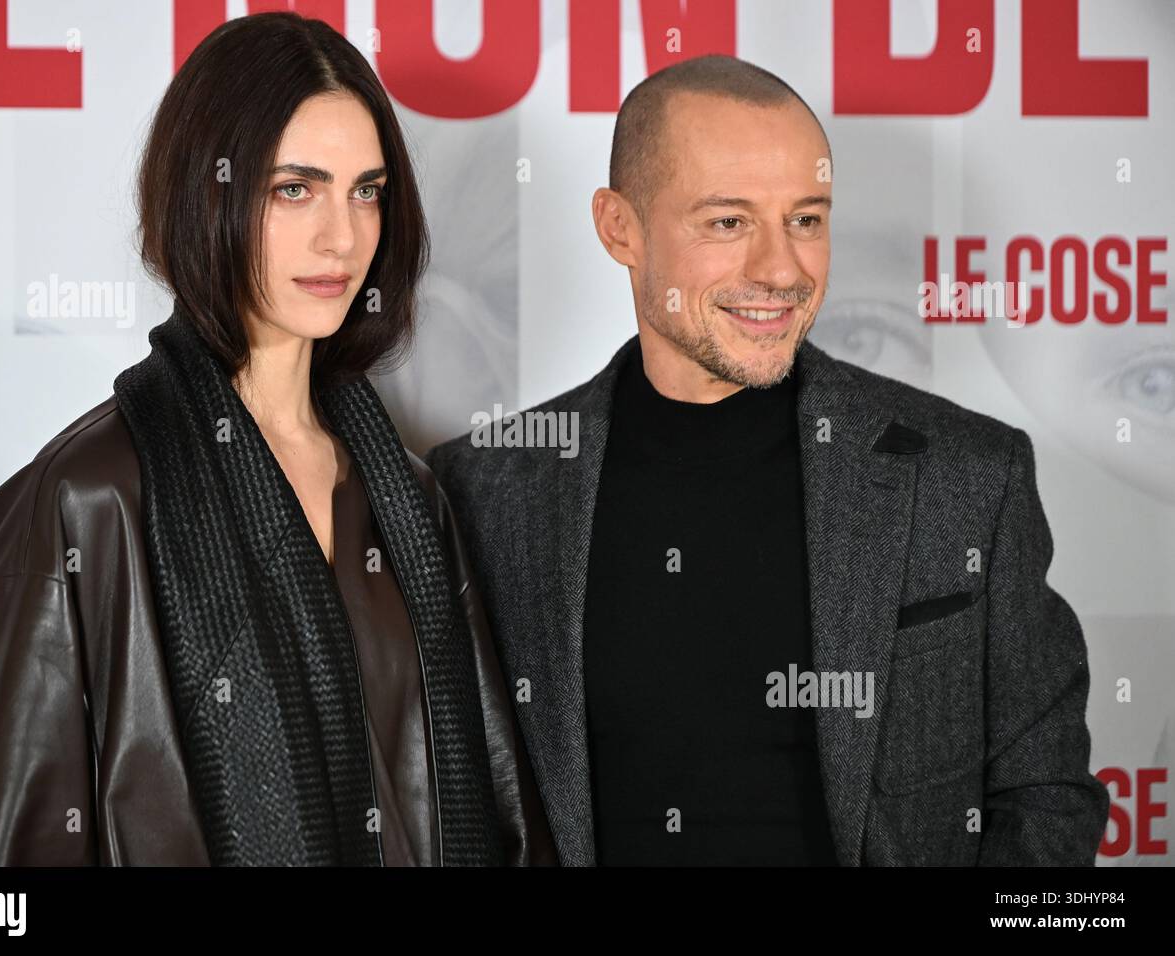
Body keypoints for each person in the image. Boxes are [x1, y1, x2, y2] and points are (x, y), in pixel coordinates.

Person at [425, 55, 1109, 866]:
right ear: (621, 228)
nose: (782, 270)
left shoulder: (965, 474)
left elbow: (1046, 797)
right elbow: (456, 808)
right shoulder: (487, 488)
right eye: (728, 221)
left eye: (807, 219)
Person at [0, 12, 555, 867]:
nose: (342, 235)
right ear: (205, 193)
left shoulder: (407, 498)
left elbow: (499, 820)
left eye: (365, 190)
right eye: (294, 188)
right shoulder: (82, 502)